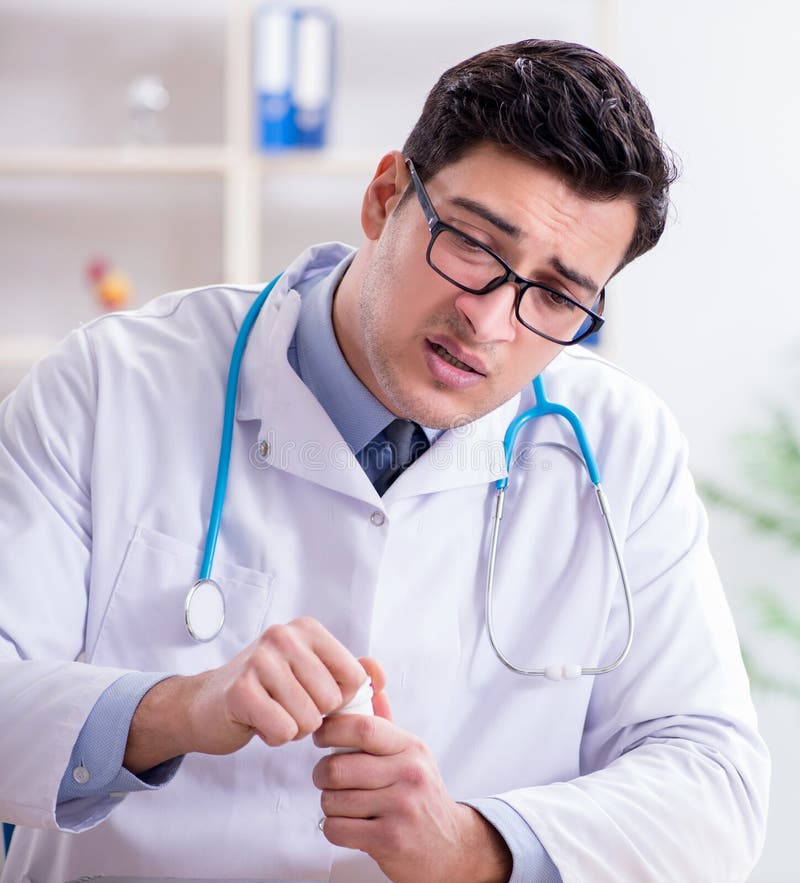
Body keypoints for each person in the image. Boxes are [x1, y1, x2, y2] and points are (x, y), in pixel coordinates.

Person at [0, 38, 769, 883]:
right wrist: (177, 707)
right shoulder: (111, 383)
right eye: (474, 245)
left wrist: (474, 845)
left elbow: (715, 788)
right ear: (384, 197)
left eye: (555, 294)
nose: (489, 323)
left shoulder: (623, 446)